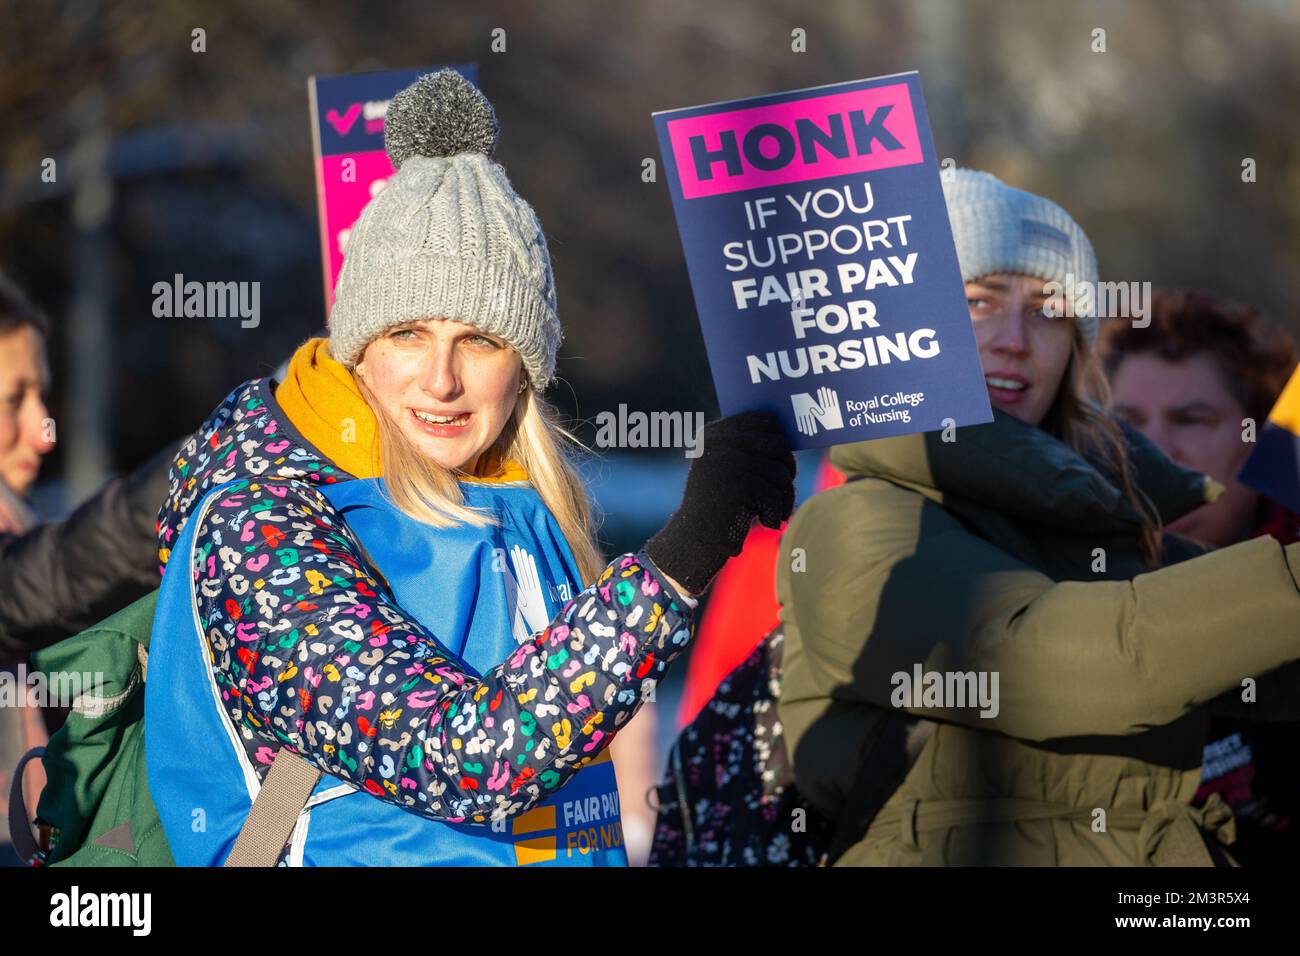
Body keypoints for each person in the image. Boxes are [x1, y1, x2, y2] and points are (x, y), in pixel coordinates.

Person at [143, 70, 795, 867]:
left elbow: (570, 822)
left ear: (525, 366)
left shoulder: (524, 514)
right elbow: (465, 757)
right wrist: (681, 561)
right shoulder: (261, 524)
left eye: (481, 340)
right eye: (408, 333)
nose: (442, 379)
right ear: (358, 348)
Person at [776, 168, 1300, 866]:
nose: (1014, 340)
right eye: (978, 303)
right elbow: (1070, 662)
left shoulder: (1108, 520)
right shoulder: (853, 526)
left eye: (1050, 310)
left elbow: (1265, 662)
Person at [1100, 290, 1300, 864]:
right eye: (1127, 422)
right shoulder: (1039, 586)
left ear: (1262, 444)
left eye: (1193, 419)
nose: (1156, 451)